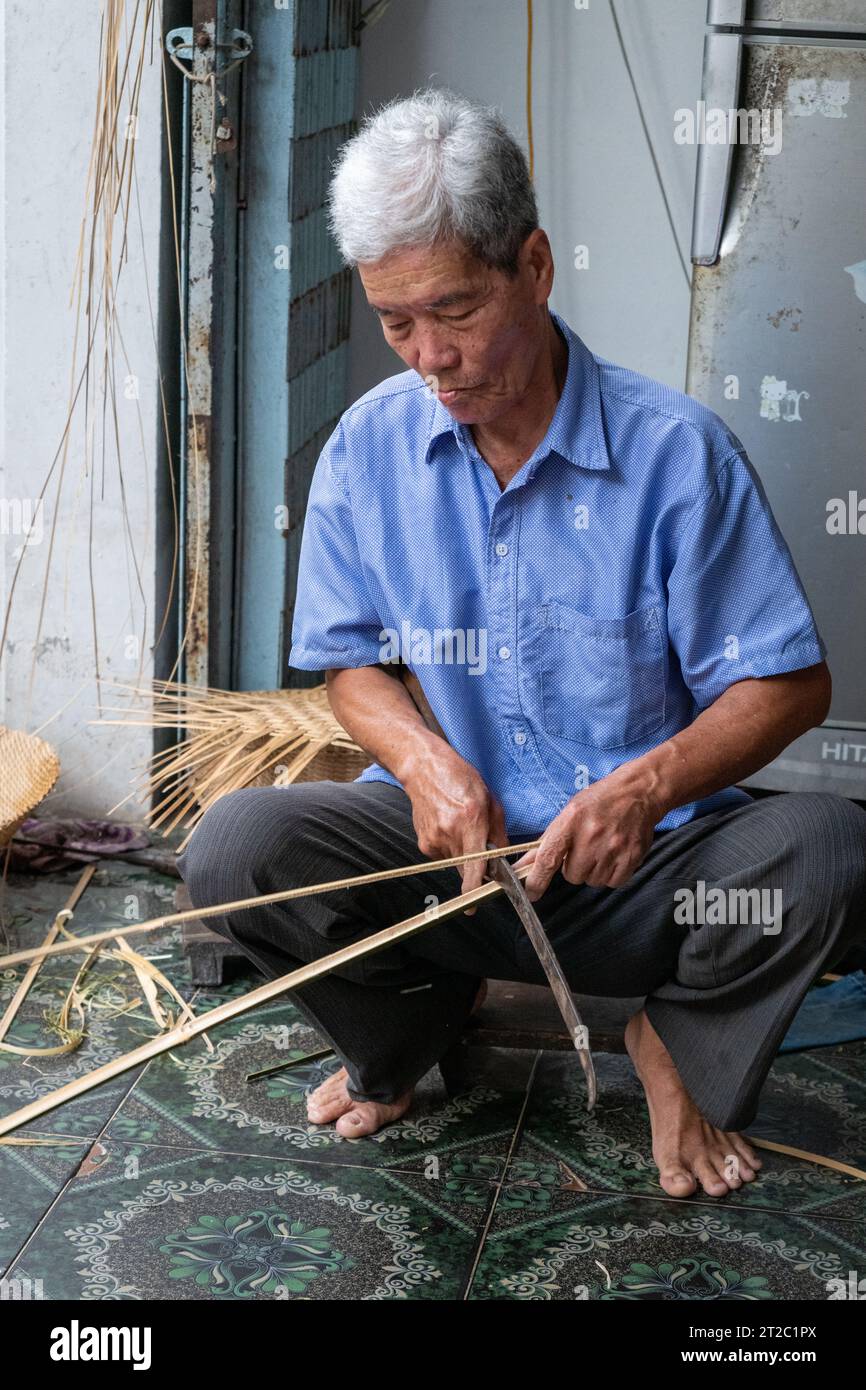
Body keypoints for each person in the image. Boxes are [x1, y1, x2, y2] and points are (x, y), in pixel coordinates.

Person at [178, 89, 866, 1200]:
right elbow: (349, 665)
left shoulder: (674, 457)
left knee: (825, 855)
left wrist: (641, 790)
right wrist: (425, 763)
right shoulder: (370, 448)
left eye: (453, 309)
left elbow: (787, 685)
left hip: (640, 878)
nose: (430, 357)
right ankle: (408, 1030)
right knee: (234, 853)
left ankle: (674, 1041)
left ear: (534, 267)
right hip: (446, 867)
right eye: (395, 322)